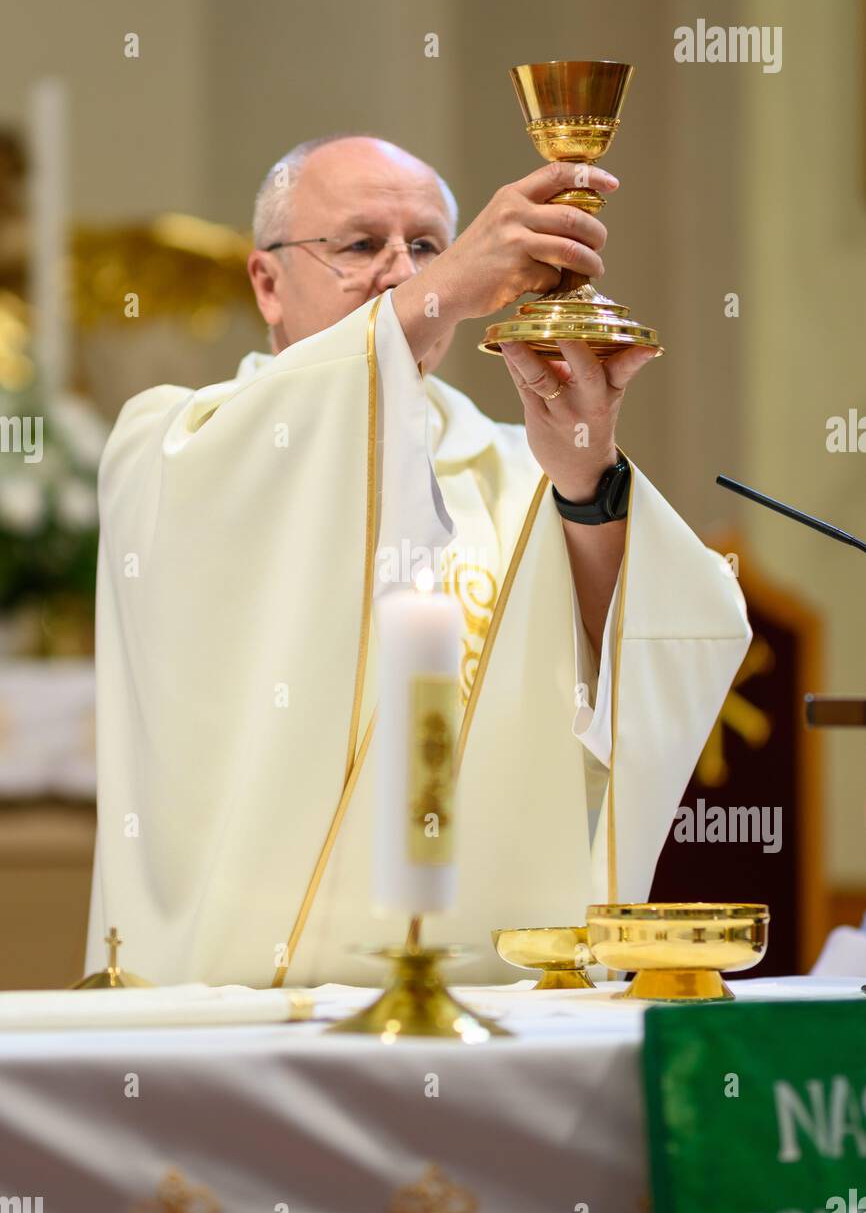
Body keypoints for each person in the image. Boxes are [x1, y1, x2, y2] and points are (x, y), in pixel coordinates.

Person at [85, 135, 750, 987]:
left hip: (486, 991)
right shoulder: (174, 442)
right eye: (361, 245)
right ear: (266, 282)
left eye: (430, 246)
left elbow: (636, 664)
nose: (404, 272)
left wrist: (587, 481)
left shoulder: (520, 469)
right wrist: (449, 285)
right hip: (240, 996)